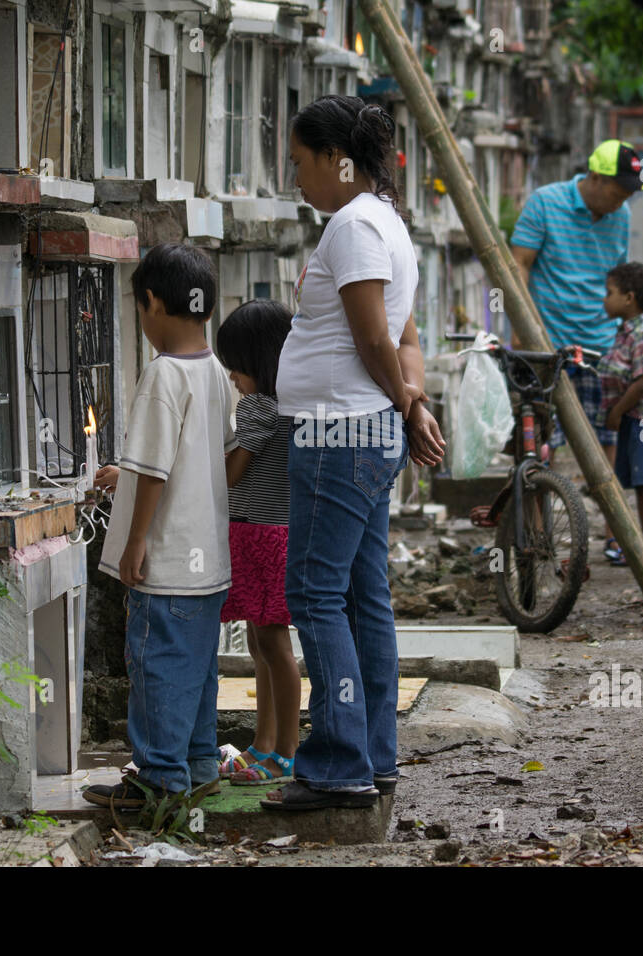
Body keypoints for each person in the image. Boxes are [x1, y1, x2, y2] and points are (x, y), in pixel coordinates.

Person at [261, 94, 445, 812]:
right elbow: (405, 341)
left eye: (301, 162)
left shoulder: (354, 225)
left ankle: (339, 763)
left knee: (313, 593)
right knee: (365, 597)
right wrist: (412, 403)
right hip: (364, 432)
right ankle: (375, 756)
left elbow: (379, 340)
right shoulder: (388, 225)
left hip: (341, 434)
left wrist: (408, 403)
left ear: (337, 160)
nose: (297, 179)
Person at [83, 242, 235, 809]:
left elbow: (153, 471)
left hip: (167, 560)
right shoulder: (215, 372)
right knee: (194, 669)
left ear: (151, 302)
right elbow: (210, 455)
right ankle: (197, 764)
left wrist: (135, 539)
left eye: (138, 309)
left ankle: (158, 778)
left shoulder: (161, 375)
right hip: (208, 560)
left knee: (155, 670)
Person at [510, 139, 643, 456]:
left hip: (599, 346)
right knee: (540, 447)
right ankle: (538, 502)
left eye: (628, 195)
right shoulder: (546, 202)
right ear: (596, 177)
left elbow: (618, 275)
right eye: (619, 193)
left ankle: (601, 504)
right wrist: (521, 327)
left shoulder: (622, 215)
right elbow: (519, 263)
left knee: (605, 442)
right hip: (547, 343)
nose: (622, 202)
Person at [213, 299, 300, 787]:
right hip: (263, 531)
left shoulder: (259, 407)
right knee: (260, 641)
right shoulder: (288, 404)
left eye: (236, 368)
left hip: (266, 533)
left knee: (271, 642)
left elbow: (232, 473)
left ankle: (284, 751)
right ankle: (263, 744)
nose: (232, 378)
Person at [594, 262, 643, 568]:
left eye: (609, 292)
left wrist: (618, 411)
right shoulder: (625, 333)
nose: (604, 299)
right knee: (633, 479)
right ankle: (641, 547)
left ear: (629, 298)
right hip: (630, 420)